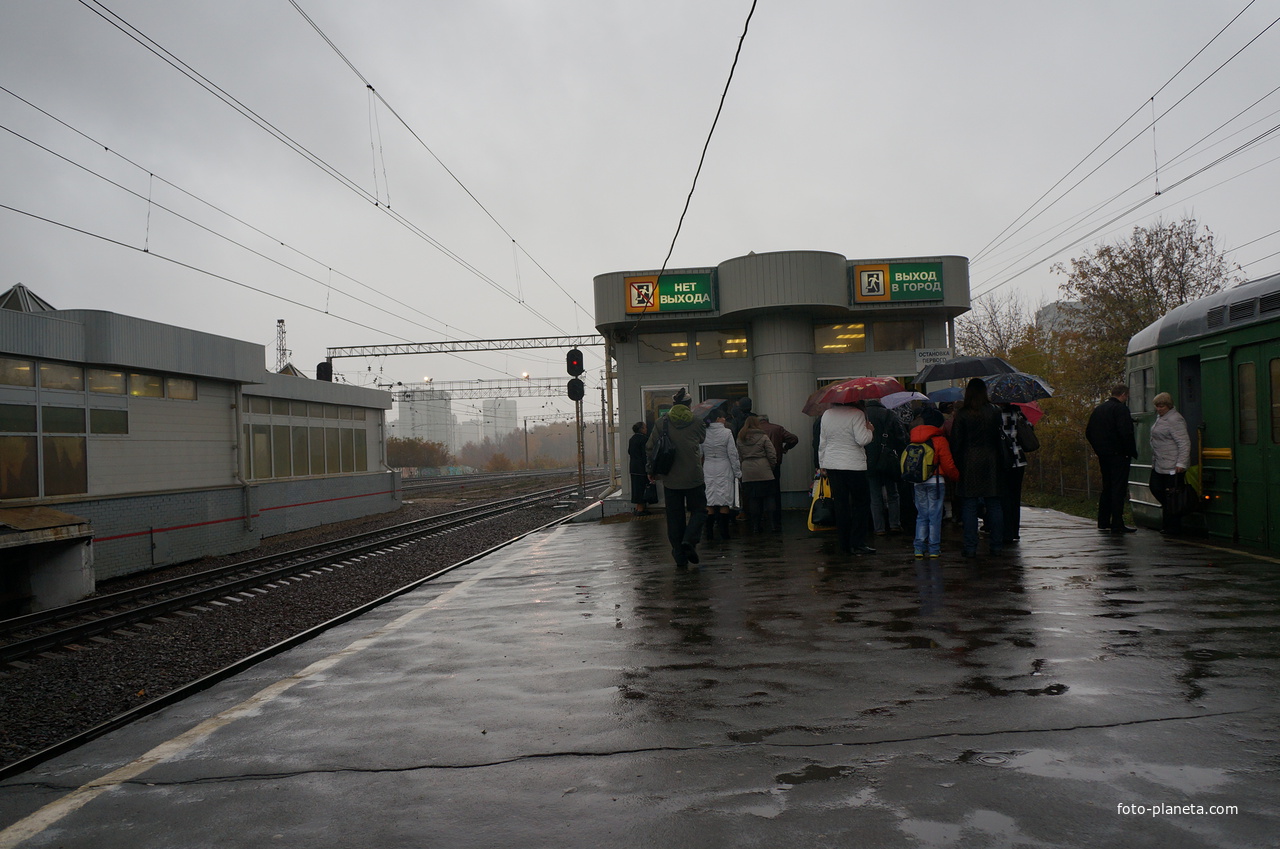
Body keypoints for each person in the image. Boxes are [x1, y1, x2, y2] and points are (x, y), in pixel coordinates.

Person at [949, 378, 1005, 557]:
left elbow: (956, 442)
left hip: (969, 461)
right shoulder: (995, 411)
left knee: (969, 506)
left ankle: (970, 547)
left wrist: (958, 463)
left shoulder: (963, 414)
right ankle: (996, 546)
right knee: (994, 505)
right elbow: (998, 437)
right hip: (991, 461)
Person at [646, 404, 707, 567]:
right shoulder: (697, 421)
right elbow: (702, 439)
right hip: (694, 475)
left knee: (674, 517)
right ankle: (689, 540)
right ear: (688, 406)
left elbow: (650, 447)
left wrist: (650, 469)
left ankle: (679, 554)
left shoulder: (661, 423)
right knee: (699, 510)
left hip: (671, 477)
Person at [818, 401, 876, 556]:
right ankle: (858, 542)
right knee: (861, 503)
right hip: (854, 465)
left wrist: (822, 463)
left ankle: (844, 544)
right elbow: (862, 440)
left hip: (832, 464)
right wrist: (869, 430)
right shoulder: (857, 414)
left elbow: (823, 441)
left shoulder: (827, 414)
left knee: (841, 504)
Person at [1086, 384, 1138, 534]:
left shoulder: (1099, 410)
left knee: (1107, 487)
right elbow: (1125, 433)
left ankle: (1103, 521)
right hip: (1119, 455)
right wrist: (1130, 451)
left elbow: (1089, 432)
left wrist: (1099, 450)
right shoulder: (1121, 409)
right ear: (1123, 394)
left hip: (1104, 455)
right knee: (1118, 489)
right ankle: (1117, 522)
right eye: (1127, 396)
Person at [907, 408, 959, 557]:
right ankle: (934, 549)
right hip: (936, 481)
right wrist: (957, 477)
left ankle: (918, 548)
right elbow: (948, 465)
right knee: (934, 516)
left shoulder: (914, 437)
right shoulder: (939, 440)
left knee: (922, 515)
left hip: (918, 481)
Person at [1149, 391, 1191, 535]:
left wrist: (1181, 463)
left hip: (1173, 464)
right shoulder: (1161, 418)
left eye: (1161, 406)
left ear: (1168, 405)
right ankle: (1170, 520)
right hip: (1160, 463)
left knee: (1172, 495)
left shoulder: (1174, 419)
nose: (1159, 409)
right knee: (1157, 488)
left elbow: (1183, 442)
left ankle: (1173, 526)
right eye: (1157, 406)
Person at [864, 398, 907, 535]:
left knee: (875, 496)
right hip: (888, 460)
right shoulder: (889, 414)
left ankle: (879, 528)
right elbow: (901, 437)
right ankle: (894, 524)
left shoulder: (862, 415)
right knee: (893, 493)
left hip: (868, 460)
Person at [701, 409, 741, 540]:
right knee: (724, 500)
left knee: (709, 500)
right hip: (724, 467)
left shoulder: (703, 433)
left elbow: (699, 452)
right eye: (724, 417)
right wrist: (737, 472)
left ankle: (709, 533)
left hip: (707, 466)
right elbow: (732, 454)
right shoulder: (727, 432)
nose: (725, 420)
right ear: (718, 419)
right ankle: (724, 533)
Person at [755, 413, 799, 531]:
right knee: (774, 492)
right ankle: (775, 520)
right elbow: (794, 439)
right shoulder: (777, 428)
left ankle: (759, 521)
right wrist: (785, 448)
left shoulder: (754, 430)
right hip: (775, 464)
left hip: (757, 465)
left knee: (758, 493)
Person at [736, 416, 778, 533]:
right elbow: (772, 454)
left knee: (753, 499)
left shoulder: (740, 438)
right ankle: (773, 524)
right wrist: (771, 466)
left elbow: (738, 456)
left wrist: (741, 469)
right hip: (763, 469)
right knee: (769, 497)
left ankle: (755, 526)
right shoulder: (763, 436)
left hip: (748, 471)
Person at [999, 403, 1032, 543]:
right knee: (1015, 496)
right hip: (1018, 459)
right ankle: (1015, 531)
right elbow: (1030, 428)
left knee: (1003, 497)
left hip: (1002, 458)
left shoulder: (996, 415)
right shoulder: (1018, 413)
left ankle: (1005, 531)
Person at [627, 421, 651, 515]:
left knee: (636, 488)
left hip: (633, 467)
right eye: (645, 427)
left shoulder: (632, 439)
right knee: (641, 488)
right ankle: (641, 509)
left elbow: (630, 452)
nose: (646, 429)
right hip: (641, 468)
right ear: (641, 429)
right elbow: (645, 455)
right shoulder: (644, 439)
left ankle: (638, 508)